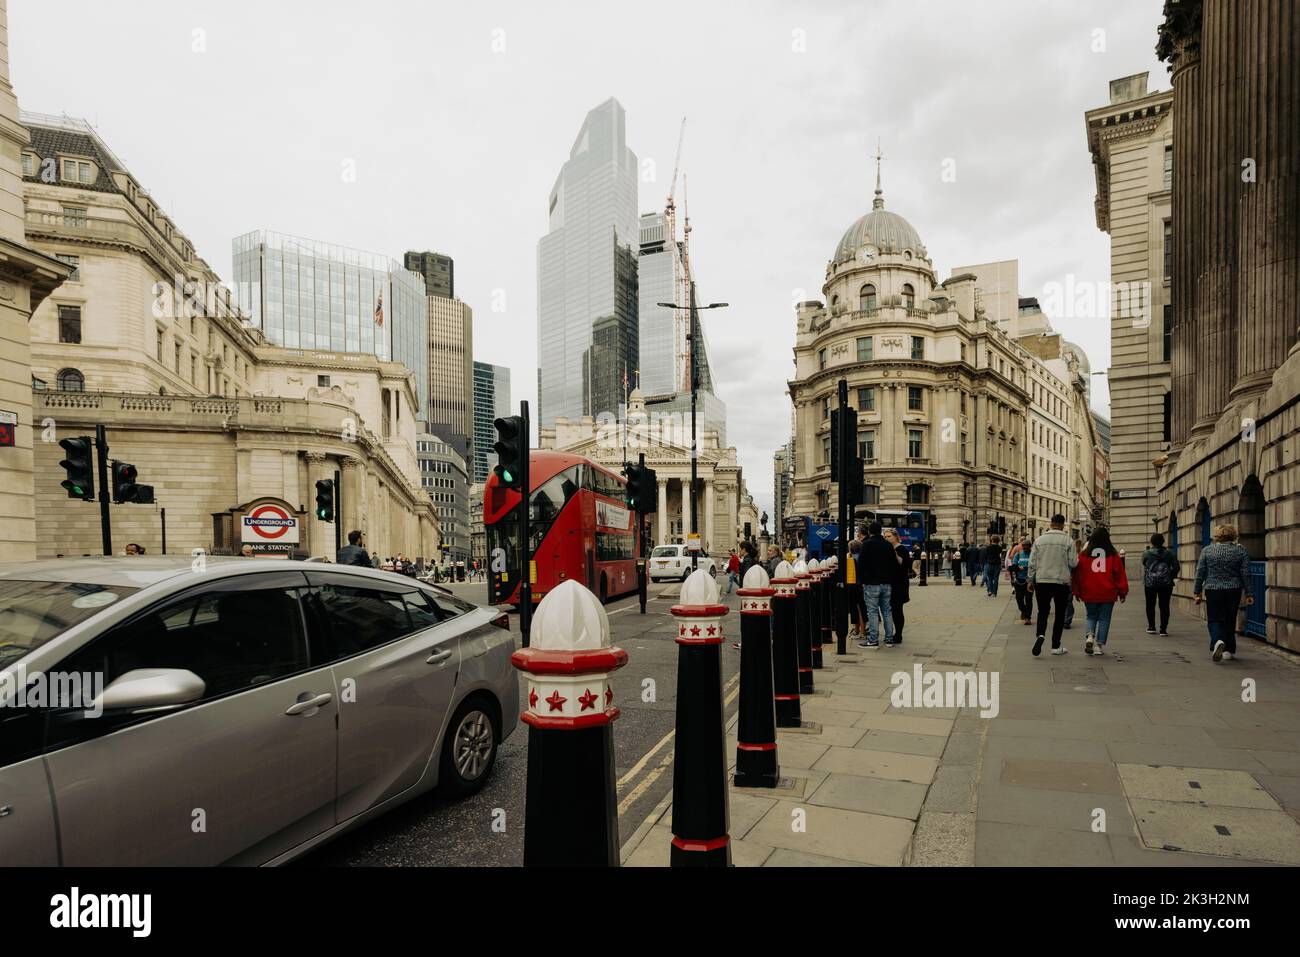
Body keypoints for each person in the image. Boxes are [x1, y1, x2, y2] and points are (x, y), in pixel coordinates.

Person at [1193, 524, 1253, 663]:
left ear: (1216, 536)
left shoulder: (1207, 550)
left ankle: (1217, 641)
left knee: (1214, 618)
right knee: (1230, 619)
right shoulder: (1240, 551)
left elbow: (1200, 572)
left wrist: (1197, 592)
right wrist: (1250, 593)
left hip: (1213, 589)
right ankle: (1228, 651)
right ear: (1233, 535)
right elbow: (1246, 573)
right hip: (1233, 589)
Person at [1072, 527, 1128, 656]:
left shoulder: (1084, 555)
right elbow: (1119, 574)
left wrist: (1077, 591)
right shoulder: (1113, 555)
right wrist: (1122, 592)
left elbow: (1078, 574)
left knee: (1091, 616)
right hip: (1108, 592)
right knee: (1104, 619)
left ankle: (1090, 635)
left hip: (1089, 591)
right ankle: (1099, 646)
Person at [1027, 514, 1078, 656]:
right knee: (1060, 613)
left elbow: (1032, 563)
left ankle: (1040, 635)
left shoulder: (1039, 540)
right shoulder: (1068, 541)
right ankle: (1056, 646)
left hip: (1042, 580)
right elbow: (1074, 562)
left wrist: (1031, 580)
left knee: (1042, 611)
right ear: (1062, 525)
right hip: (1061, 582)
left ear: (1051, 524)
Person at [856, 522, 896, 649]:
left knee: (872, 612)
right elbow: (893, 563)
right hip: (886, 583)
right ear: (880, 531)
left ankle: (873, 640)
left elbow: (861, 564)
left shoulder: (866, 544)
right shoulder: (888, 545)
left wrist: (862, 581)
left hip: (871, 583)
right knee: (886, 611)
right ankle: (889, 639)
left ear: (870, 532)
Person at [1142, 533, 1180, 636]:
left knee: (1150, 604)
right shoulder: (1170, 553)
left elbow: (1144, 563)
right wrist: (1170, 576)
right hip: (1166, 584)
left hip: (1150, 583)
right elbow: (1176, 567)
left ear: (1152, 542)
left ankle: (1151, 627)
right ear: (1163, 542)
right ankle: (1163, 629)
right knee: (1164, 605)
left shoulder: (1147, 553)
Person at [883, 528, 913, 644]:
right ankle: (892, 633)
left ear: (896, 537)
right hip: (890, 583)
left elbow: (906, 565)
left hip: (900, 584)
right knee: (891, 610)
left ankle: (898, 634)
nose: (886, 538)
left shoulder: (901, 549)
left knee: (897, 609)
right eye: (885, 537)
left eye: (889, 536)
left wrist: (896, 556)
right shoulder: (887, 549)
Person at [846, 538, 867, 638]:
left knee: (855, 609)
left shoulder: (849, 558)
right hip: (862, 585)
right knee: (862, 609)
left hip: (852, 585)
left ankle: (858, 631)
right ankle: (862, 631)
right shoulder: (863, 558)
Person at [1010, 540, 1033, 624]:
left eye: (1027, 546)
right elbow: (1013, 566)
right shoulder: (1018, 554)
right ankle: (1023, 610)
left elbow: (1036, 566)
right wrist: (1018, 568)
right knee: (1019, 599)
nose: (1025, 548)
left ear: (1030, 546)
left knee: (1029, 599)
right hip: (1019, 580)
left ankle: (1028, 617)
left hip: (1029, 580)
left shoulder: (1033, 554)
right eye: (1024, 546)